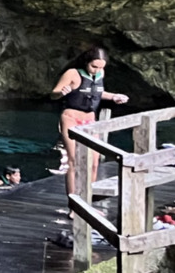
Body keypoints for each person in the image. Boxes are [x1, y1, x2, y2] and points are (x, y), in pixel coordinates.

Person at [50, 47, 128, 197]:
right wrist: (61, 92)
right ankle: (74, 205)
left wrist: (114, 96)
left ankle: (87, 200)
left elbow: (97, 93)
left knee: (93, 163)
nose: (96, 70)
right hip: (71, 118)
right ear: (86, 62)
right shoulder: (72, 73)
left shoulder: (100, 74)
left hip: (90, 120)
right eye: (94, 66)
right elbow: (53, 94)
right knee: (74, 161)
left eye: (100, 67)